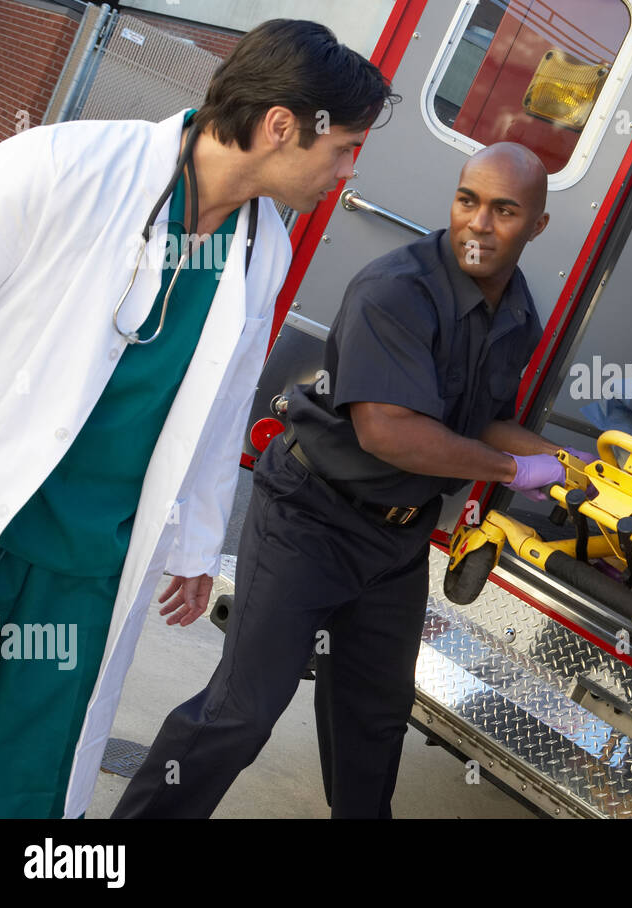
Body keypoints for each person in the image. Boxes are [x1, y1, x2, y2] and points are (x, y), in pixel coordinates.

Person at [0, 19, 392, 819]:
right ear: (281, 127)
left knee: (23, 781)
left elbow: (221, 405)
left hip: (89, 566)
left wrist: (199, 545)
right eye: (343, 148)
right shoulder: (66, 165)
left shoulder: (259, 247)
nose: (345, 172)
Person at [113, 142, 571, 819]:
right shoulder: (398, 290)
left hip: (397, 541)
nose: (478, 223)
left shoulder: (517, 312)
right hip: (312, 517)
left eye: (504, 211)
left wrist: (567, 470)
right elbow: (387, 429)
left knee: (374, 720)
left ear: (537, 225)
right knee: (243, 711)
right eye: (468, 200)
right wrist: (511, 470)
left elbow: (483, 418)